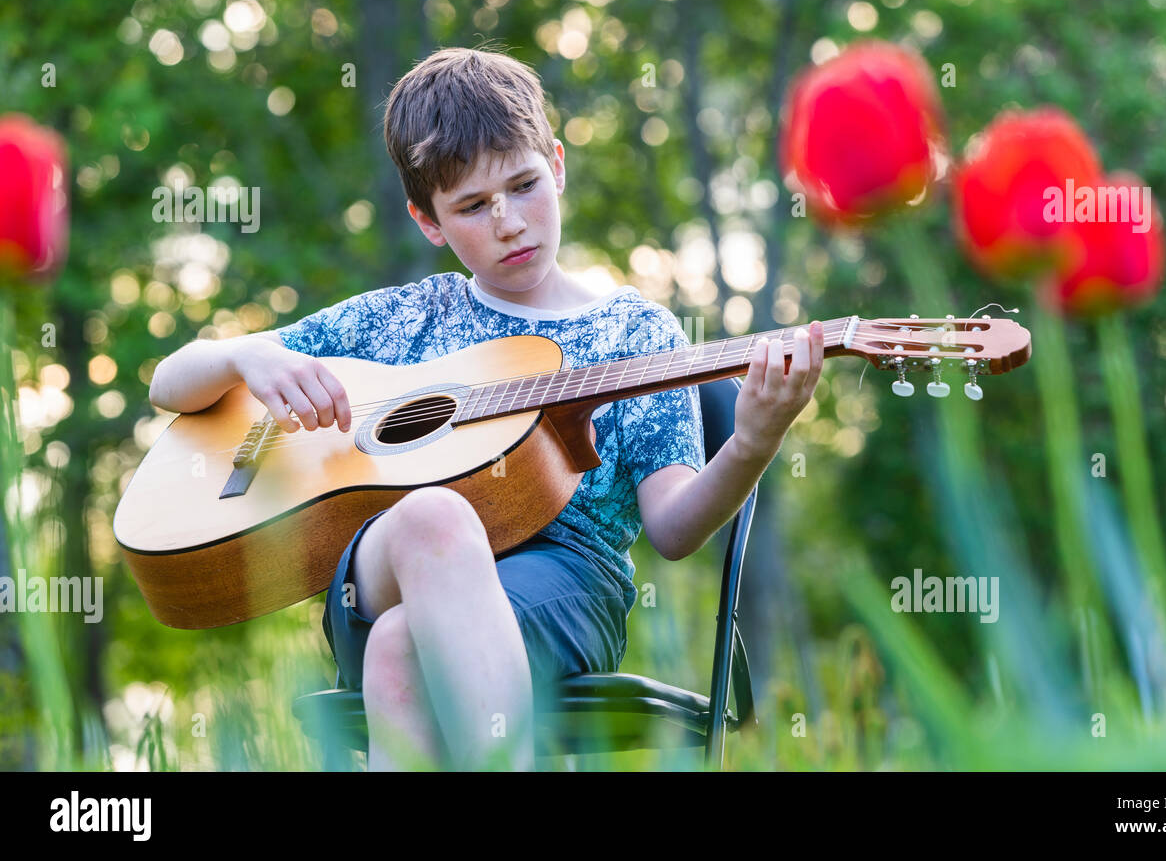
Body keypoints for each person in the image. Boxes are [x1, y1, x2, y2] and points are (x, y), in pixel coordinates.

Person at [147, 45, 824, 770]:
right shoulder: (405, 319)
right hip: (380, 569)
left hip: (565, 588)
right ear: (428, 221)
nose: (508, 222)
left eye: (524, 185)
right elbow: (169, 384)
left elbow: (673, 529)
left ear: (558, 166)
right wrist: (245, 354)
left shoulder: (637, 335)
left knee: (402, 648)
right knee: (433, 516)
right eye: (472, 206)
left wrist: (753, 441)